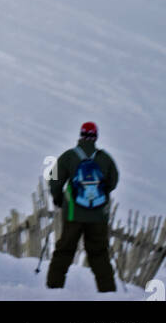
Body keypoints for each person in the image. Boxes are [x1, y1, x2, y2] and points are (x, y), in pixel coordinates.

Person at [45, 121, 118, 293]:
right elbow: (113, 180)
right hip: (98, 216)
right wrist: (102, 196)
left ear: (80, 135)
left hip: (73, 214)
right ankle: (108, 293)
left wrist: (58, 198)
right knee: (99, 253)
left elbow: (54, 179)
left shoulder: (69, 156)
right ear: (96, 137)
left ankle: (53, 290)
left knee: (64, 251)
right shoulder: (104, 158)